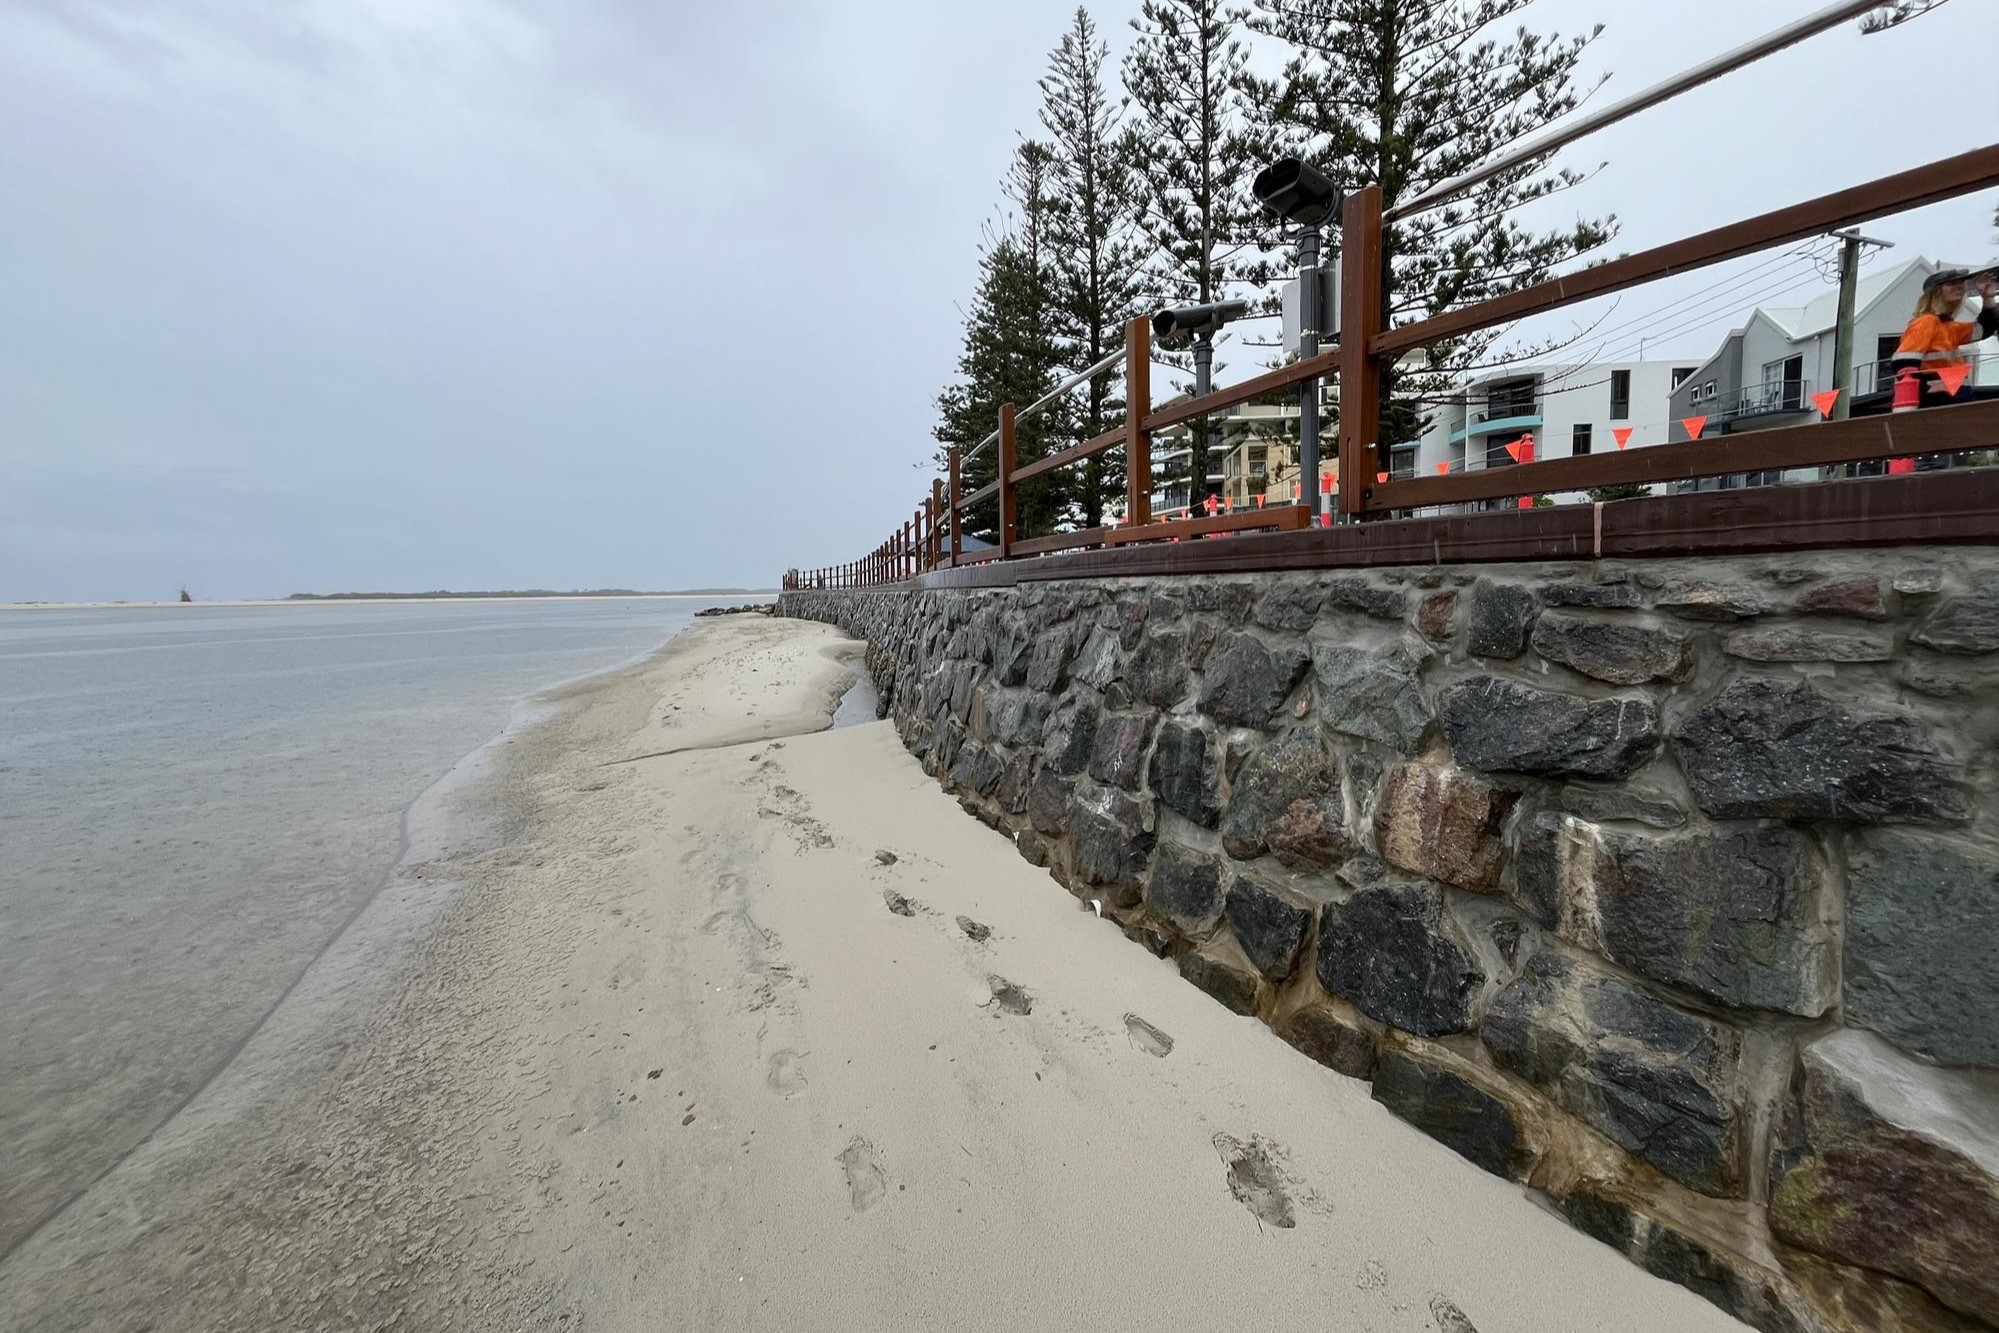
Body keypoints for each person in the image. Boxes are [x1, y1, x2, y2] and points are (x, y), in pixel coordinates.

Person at [1891, 266, 1999, 406]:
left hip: (1953, 394)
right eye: (1952, 283)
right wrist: (1910, 402)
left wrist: (1988, 298)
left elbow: (1984, 329)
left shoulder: (1948, 326)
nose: (1960, 286)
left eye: (1961, 283)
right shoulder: (1927, 321)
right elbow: (1904, 362)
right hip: (1939, 399)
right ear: (1936, 292)